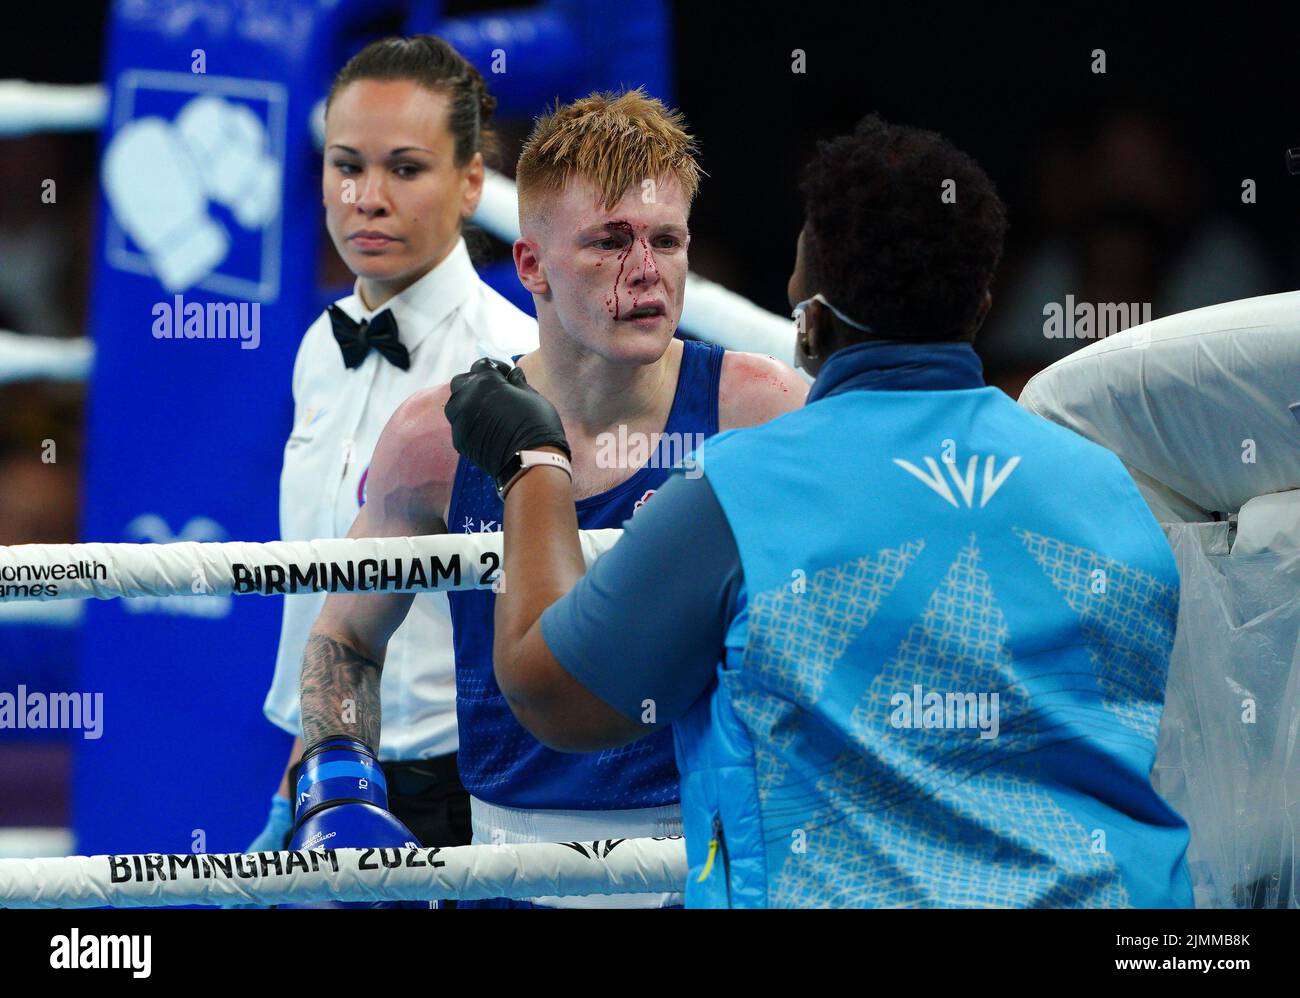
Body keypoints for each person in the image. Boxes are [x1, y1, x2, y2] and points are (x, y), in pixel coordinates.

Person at [445, 113, 1196, 908]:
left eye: (667, 240)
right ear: (984, 297)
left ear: (810, 311)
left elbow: (547, 690)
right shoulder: (1109, 485)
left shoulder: (743, 486)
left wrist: (533, 462)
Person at [292, 88, 808, 908]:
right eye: (608, 242)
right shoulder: (436, 438)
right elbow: (346, 636)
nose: (646, 271)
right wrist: (336, 781)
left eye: (665, 240)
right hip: (505, 867)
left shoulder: (762, 411)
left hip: (713, 859)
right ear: (531, 264)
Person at [237, 36, 537, 907]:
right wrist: (296, 774)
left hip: (464, 781)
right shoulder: (317, 347)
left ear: (473, 182)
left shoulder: (511, 363)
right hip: (322, 767)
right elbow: (321, 598)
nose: (366, 199)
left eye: (405, 168)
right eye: (346, 165)